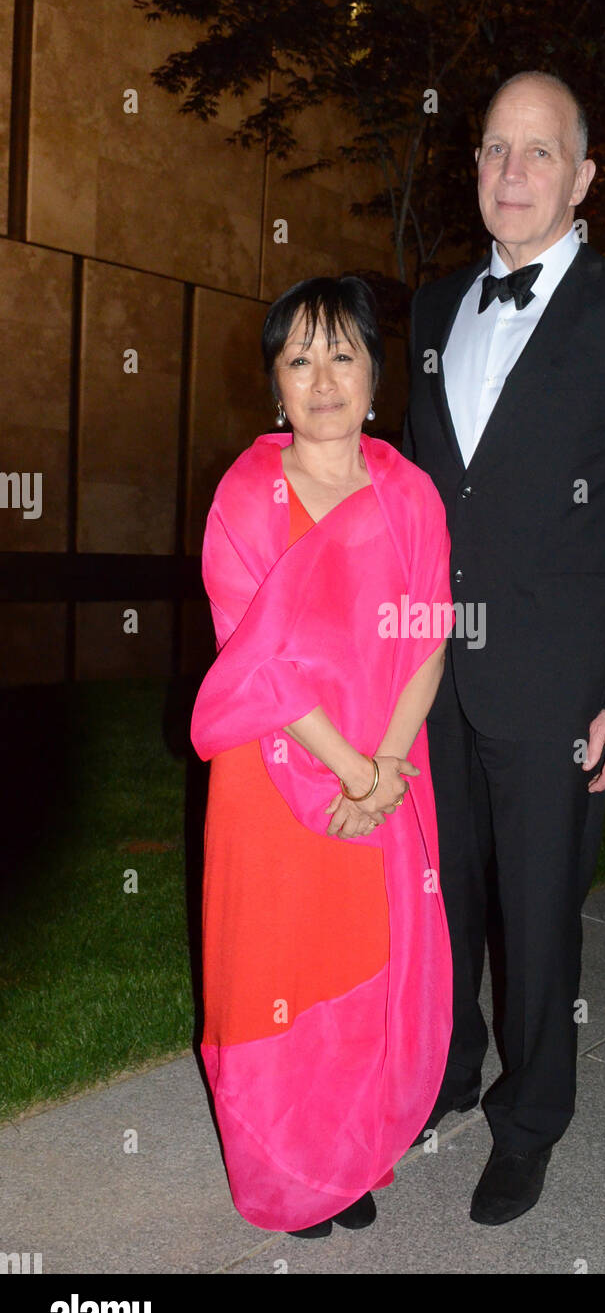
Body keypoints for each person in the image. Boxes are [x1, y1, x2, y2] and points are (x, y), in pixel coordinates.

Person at [402, 71, 605, 1224]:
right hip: (436, 677)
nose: (511, 173)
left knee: (537, 913)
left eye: (537, 153)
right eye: (491, 150)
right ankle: (447, 1077)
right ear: (472, 168)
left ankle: (531, 1120)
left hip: (563, 686)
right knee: (444, 898)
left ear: (580, 179)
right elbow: (420, 503)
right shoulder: (428, 311)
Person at [190, 275, 455, 1237]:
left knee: (362, 963)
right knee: (275, 969)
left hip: (387, 774)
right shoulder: (244, 499)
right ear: (276, 386)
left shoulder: (411, 495)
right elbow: (252, 662)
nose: (323, 377)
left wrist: (387, 769)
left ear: (375, 376)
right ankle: (283, 1167)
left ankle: (346, 1153)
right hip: (275, 777)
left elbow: (428, 638)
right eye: (299, 359)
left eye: (342, 353)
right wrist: (351, 768)